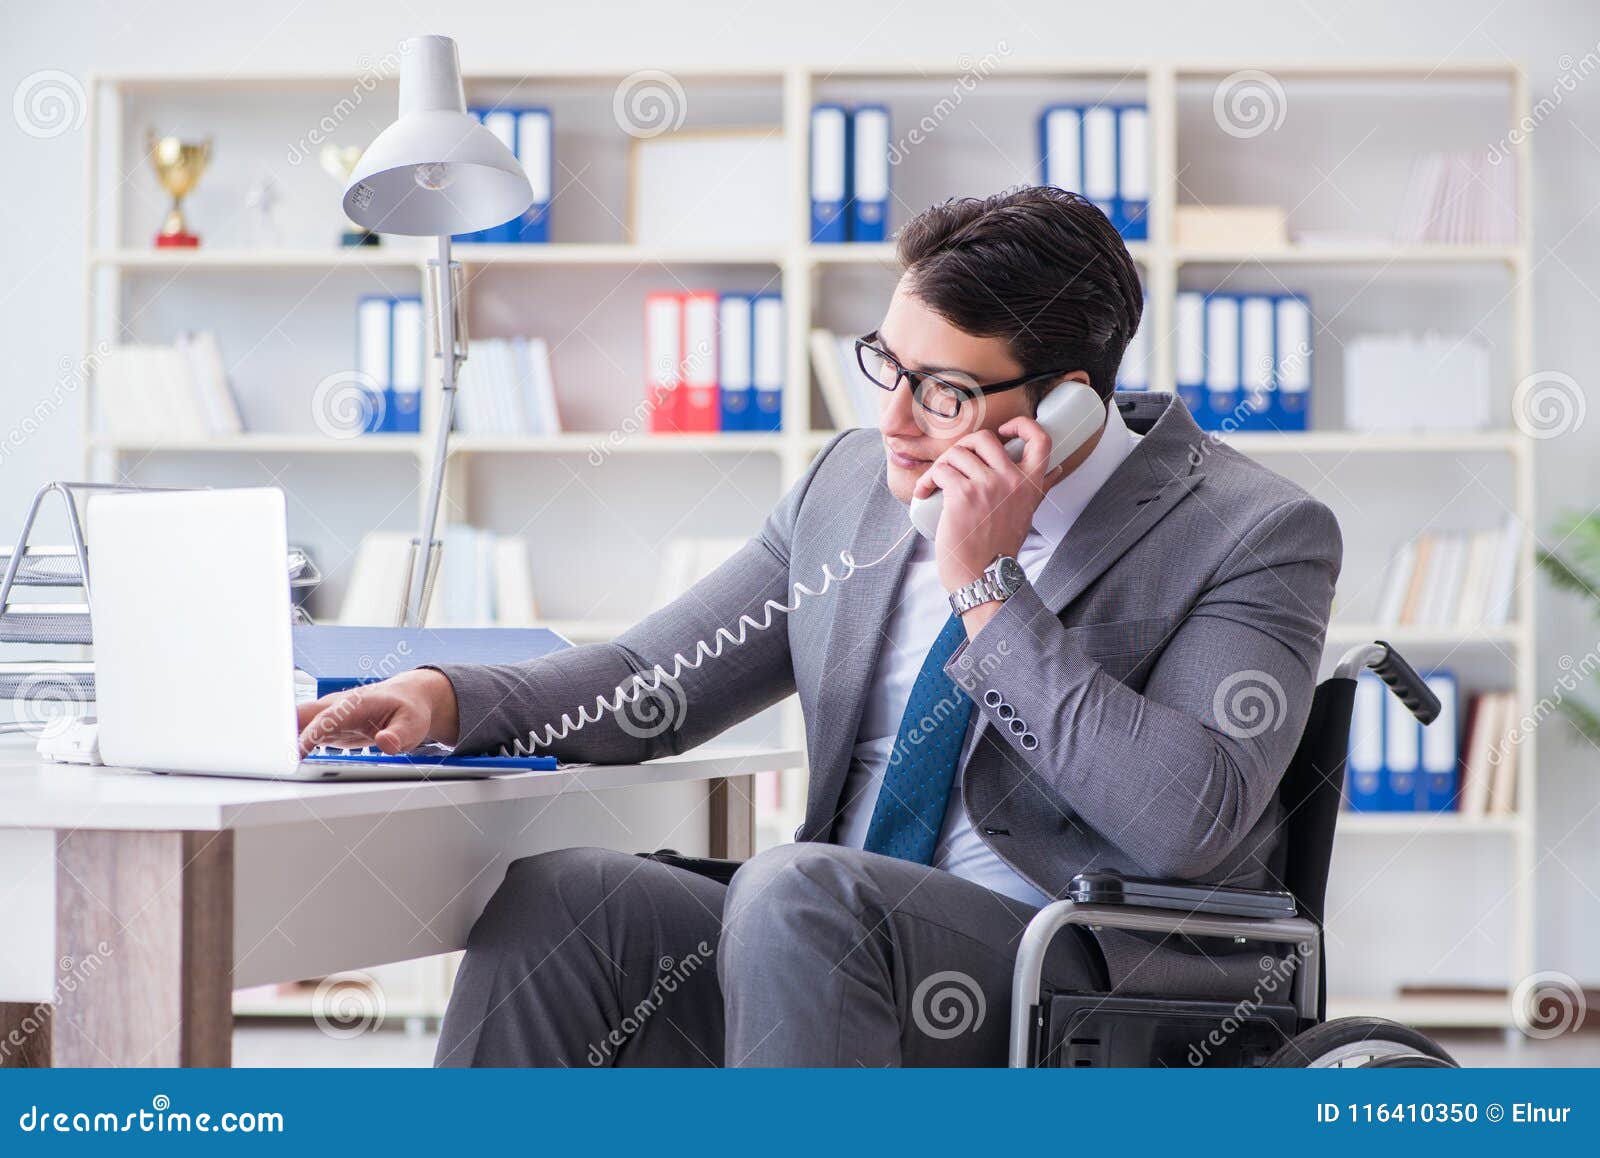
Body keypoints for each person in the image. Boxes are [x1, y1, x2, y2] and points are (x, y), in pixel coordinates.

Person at [298, 185, 1342, 1067]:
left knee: (799, 890)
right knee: (564, 897)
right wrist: (444, 697)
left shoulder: (1250, 530)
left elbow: (1187, 822)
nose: (891, 420)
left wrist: (986, 587)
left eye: (940, 392)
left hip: (1074, 971)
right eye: (887, 364)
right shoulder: (852, 488)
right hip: (819, 941)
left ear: (1064, 403)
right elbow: (651, 679)